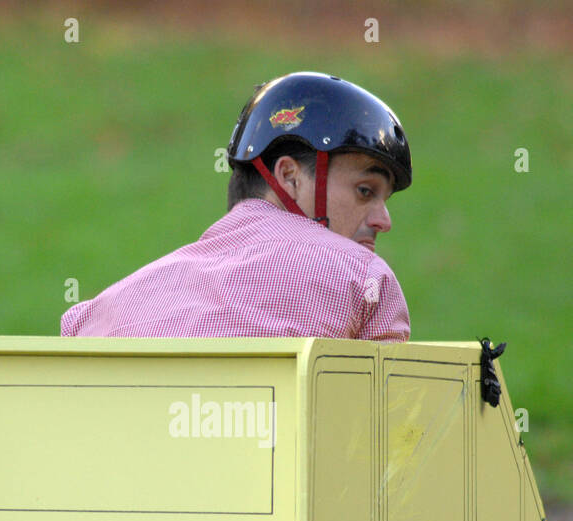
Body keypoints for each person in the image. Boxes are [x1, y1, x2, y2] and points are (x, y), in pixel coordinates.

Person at [60, 71, 412, 341]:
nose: (384, 221)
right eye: (365, 190)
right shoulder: (366, 280)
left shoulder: (93, 316)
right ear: (290, 176)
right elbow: (386, 429)